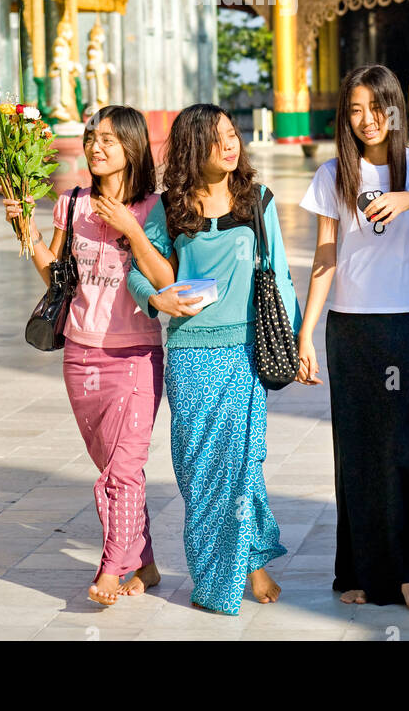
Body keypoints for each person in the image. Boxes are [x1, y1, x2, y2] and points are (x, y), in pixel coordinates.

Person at [126, 104, 301, 616]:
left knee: (245, 465)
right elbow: (142, 272)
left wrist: (295, 342)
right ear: (190, 147)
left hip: (246, 351)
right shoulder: (170, 208)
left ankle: (240, 570)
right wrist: (155, 300)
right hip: (189, 353)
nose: (231, 145)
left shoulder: (258, 200)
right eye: (217, 137)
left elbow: (281, 275)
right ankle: (230, 564)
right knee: (198, 469)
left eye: (233, 135)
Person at [296, 64, 409, 610]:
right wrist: (307, 332)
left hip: (404, 326)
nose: (367, 120)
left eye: (376, 108)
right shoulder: (332, 175)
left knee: (402, 453)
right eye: (356, 109)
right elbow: (325, 258)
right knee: (356, 455)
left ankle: (405, 573)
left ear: (394, 110)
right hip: (350, 328)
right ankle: (357, 574)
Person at [3, 106, 163, 607]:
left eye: (109, 140)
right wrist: (25, 233)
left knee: (122, 470)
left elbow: (165, 278)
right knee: (113, 465)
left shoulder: (155, 208)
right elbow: (58, 280)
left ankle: (111, 568)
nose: (96, 147)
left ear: (133, 148)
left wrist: (131, 230)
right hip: (81, 354)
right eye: (92, 137)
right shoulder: (70, 204)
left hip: (137, 354)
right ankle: (148, 562)